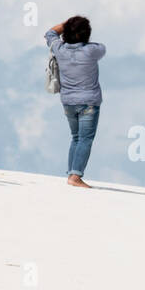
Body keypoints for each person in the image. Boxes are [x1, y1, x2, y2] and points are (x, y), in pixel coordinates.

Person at [45, 16, 105, 188]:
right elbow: (102, 48)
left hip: (68, 102)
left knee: (76, 137)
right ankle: (75, 176)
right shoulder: (92, 50)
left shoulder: (59, 48)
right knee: (85, 139)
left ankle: (72, 172)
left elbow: (50, 33)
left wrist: (66, 26)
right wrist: (75, 29)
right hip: (88, 102)